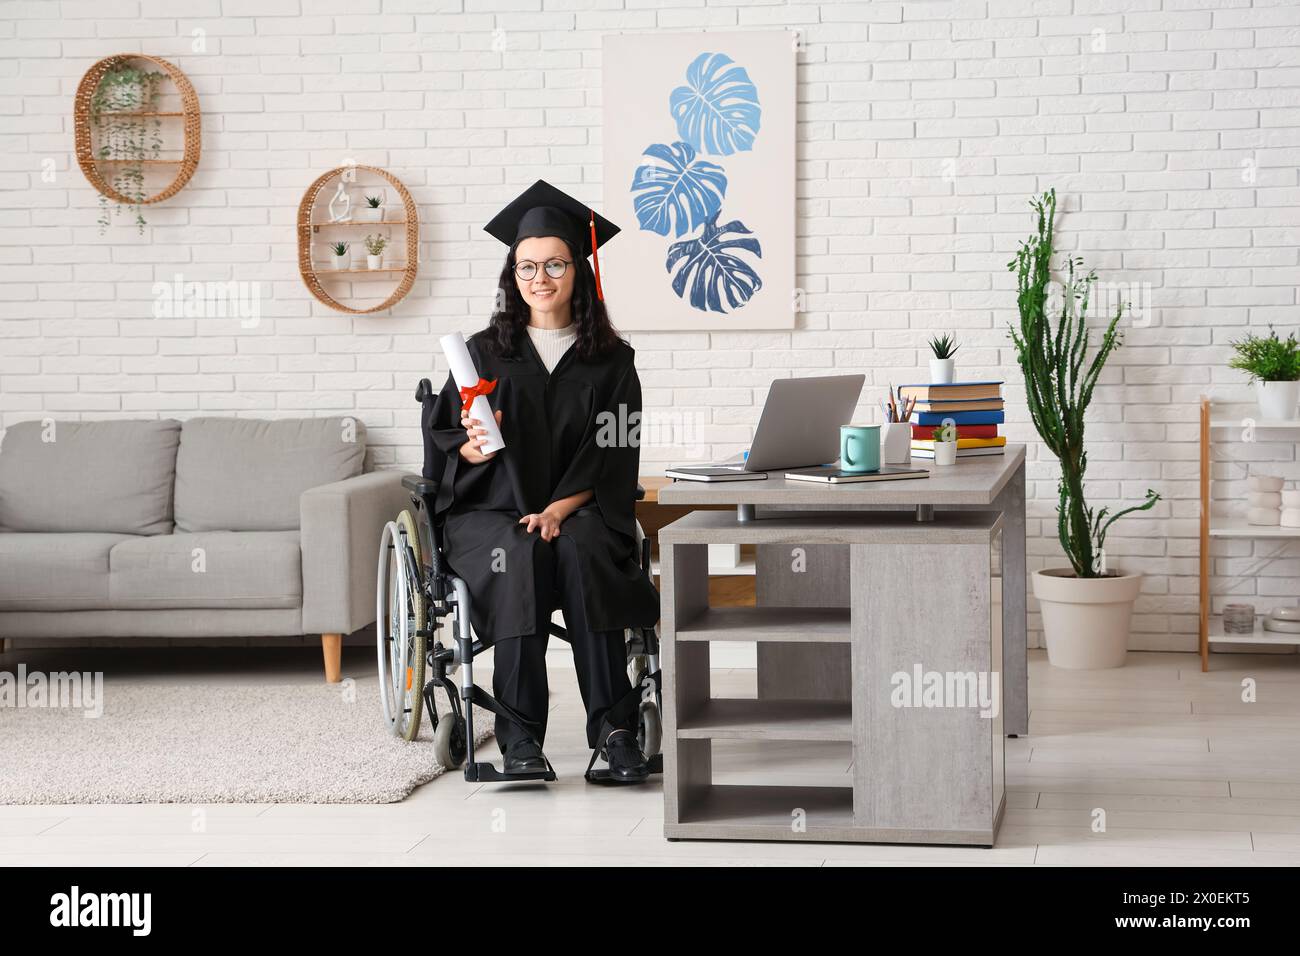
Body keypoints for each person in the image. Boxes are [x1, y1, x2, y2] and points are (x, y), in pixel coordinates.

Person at [424, 179, 660, 782]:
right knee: (517, 554)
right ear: (513, 274)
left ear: (578, 270)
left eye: (555, 263)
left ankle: (614, 733)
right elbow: (447, 439)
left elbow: (614, 452)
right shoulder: (481, 353)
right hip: (491, 513)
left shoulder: (612, 361)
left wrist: (560, 508)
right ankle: (520, 740)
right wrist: (472, 450)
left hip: (582, 510)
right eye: (527, 266)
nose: (540, 278)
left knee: (582, 551)